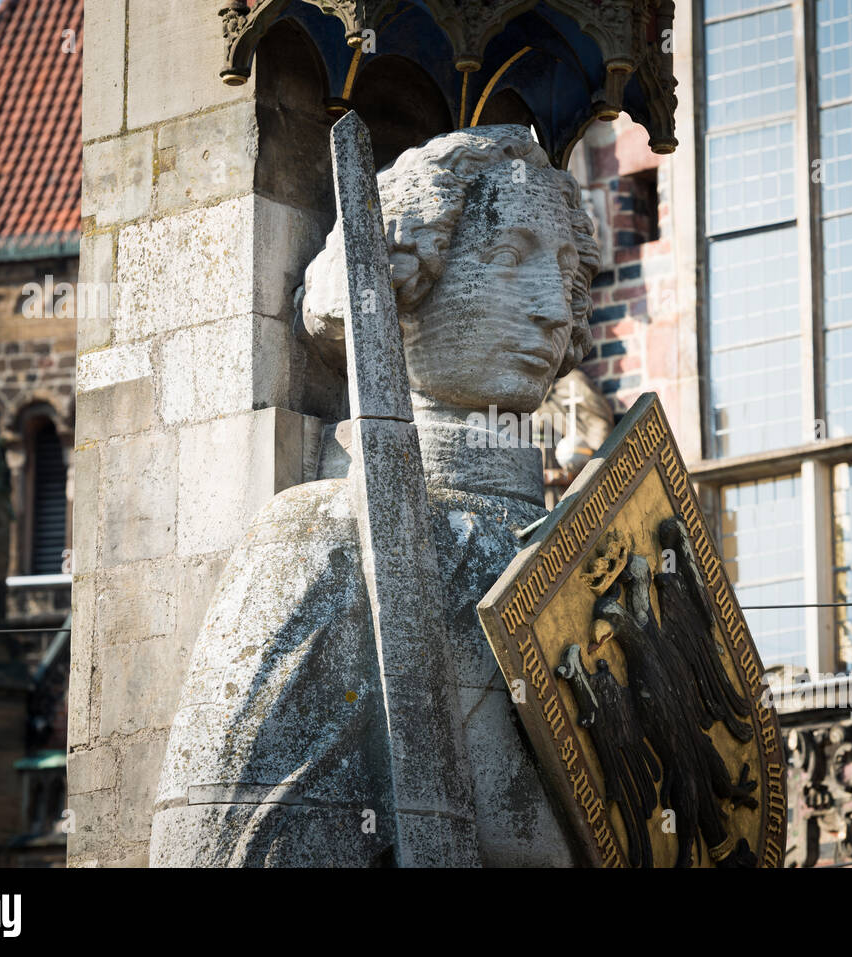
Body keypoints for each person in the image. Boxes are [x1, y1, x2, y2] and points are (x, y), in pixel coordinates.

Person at [150, 125, 600, 866]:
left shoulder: (595, 547)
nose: (554, 308)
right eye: (510, 256)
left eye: (563, 269)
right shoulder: (322, 534)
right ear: (405, 279)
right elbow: (226, 848)